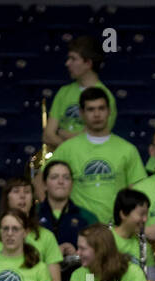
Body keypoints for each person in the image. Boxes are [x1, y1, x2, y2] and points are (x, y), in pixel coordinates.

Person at [48, 88, 146, 226]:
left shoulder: (128, 149)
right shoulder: (67, 149)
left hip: (116, 230)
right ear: (82, 113)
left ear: (109, 111)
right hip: (79, 228)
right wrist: (53, 216)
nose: (97, 114)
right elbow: (41, 181)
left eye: (101, 108)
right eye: (91, 109)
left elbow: (137, 193)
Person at [0, 178, 61, 281]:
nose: (22, 196)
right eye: (16, 191)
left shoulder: (47, 236)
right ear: (6, 198)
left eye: (27, 191)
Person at [44, 36, 116, 147]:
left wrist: (62, 133)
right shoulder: (63, 92)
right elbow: (48, 136)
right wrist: (72, 145)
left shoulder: (105, 96)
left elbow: (95, 137)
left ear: (88, 63)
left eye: (73, 59)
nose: (67, 63)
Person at [35, 160, 97, 259]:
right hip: (40, 273)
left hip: (79, 272)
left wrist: (78, 253)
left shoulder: (87, 217)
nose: (61, 182)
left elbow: (97, 257)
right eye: (54, 177)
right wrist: (52, 253)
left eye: (66, 178)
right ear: (45, 184)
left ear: (72, 184)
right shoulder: (31, 214)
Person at [109, 187, 151, 268]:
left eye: (146, 215)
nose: (145, 219)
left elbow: (152, 276)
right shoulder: (104, 239)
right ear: (123, 214)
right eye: (141, 214)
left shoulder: (143, 244)